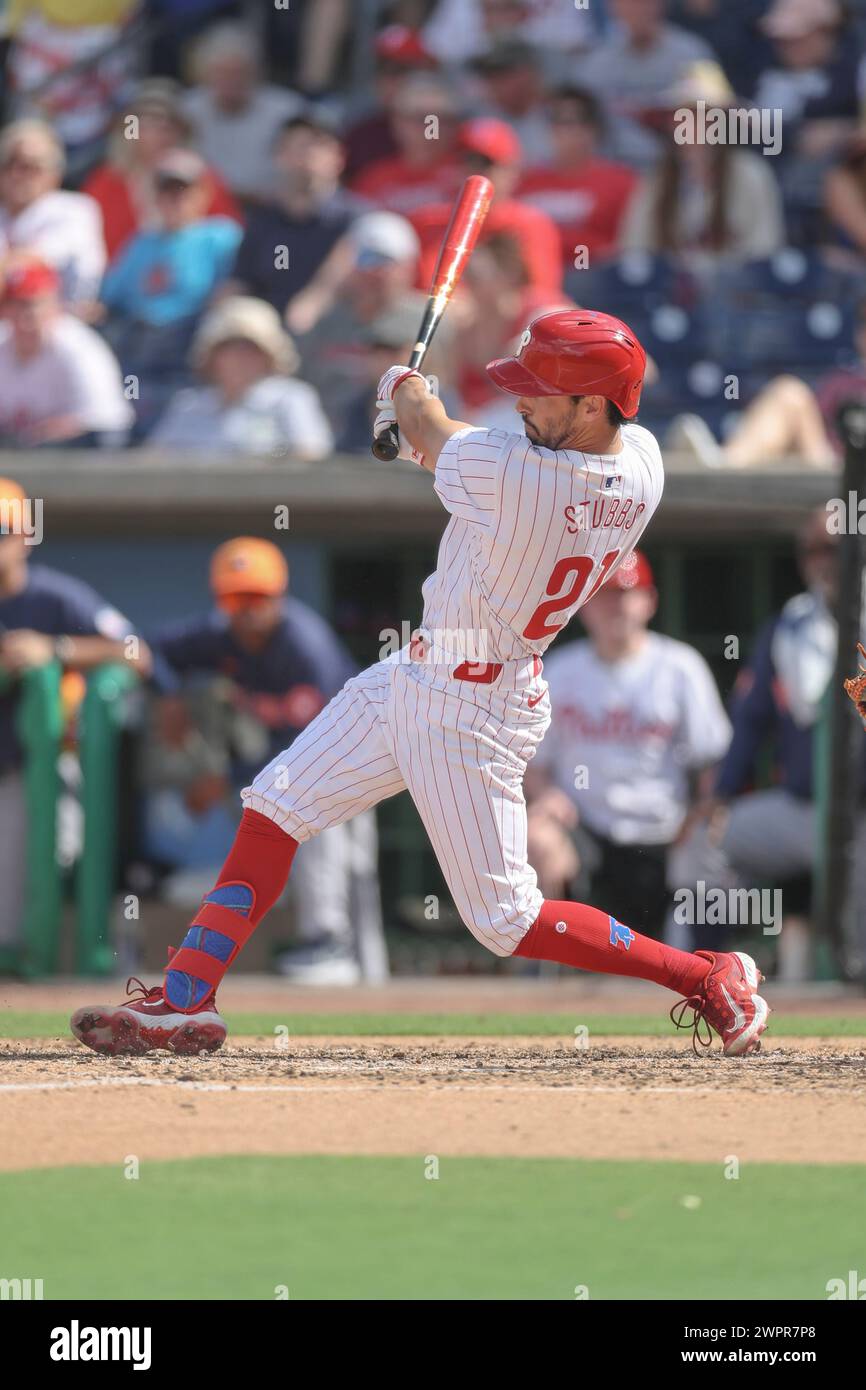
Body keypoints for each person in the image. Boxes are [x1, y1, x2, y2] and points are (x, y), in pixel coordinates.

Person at [72, 307, 770, 1061]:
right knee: (275, 806)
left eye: (542, 390)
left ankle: (706, 977)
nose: (523, 399)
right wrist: (412, 428)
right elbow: (445, 448)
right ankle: (186, 997)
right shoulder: (642, 462)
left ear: (592, 403)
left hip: (472, 707)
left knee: (505, 920)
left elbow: (431, 427)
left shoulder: (523, 479)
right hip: (419, 672)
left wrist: (403, 388)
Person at [145, 537, 387, 985]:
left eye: (258, 597)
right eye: (237, 598)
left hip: (352, 761)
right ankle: (330, 947)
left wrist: (226, 777)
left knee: (345, 861)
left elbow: (315, 755)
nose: (248, 609)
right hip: (287, 770)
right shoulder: (216, 637)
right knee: (302, 834)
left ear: (279, 596)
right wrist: (170, 697)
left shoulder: (304, 646)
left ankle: (338, 950)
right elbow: (148, 650)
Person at [666, 510, 866, 978]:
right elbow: (751, 722)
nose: (823, 562)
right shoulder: (789, 626)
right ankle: (696, 975)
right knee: (703, 844)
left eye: (834, 549)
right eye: (812, 551)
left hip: (861, 817)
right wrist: (719, 797)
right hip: (803, 812)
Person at [526, 550, 731, 939]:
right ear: (583, 606)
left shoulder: (679, 666)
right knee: (535, 834)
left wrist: (705, 812)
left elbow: (712, 759)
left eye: (625, 593)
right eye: (603, 595)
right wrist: (548, 797)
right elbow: (535, 766)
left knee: (718, 841)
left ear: (649, 601)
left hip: (666, 832)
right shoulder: (560, 670)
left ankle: (711, 965)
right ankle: (542, 974)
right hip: (586, 830)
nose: (614, 606)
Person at [0, 475, 150, 948]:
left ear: (26, 536)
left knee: (34, 878)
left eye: (2, 531)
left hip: (33, 767)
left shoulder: (53, 596)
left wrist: (54, 647)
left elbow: (136, 652)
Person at [98, 149, 243, 385]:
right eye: (166, 190)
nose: (176, 198)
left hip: (190, 341)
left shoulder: (221, 236)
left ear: (203, 193)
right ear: (155, 196)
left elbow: (233, 288)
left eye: (184, 190)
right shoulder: (141, 242)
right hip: (137, 340)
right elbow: (109, 299)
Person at [149, 295, 332, 459]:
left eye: (250, 349)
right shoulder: (188, 405)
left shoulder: (291, 399)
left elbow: (312, 457)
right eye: (229, 348)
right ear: (212, 357)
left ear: (268, 357)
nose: (239, 358)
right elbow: (155, 461)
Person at [82, 79, 241, 262]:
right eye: (147, 126)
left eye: (167, 127)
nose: (158, 135)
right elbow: (87, 241)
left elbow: (229, 238)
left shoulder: (202, 178)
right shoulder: (107, 180)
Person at [229, 110, 362, 318]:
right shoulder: (262, 219)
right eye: (298, 146)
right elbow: (241, 282)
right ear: (278, 156)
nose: (308, 154)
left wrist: (317, 298)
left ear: (339, 158)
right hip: (267, 330)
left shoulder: (358, 219)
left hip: (337, 330)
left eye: (318, 145)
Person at [411, 118, 564, 299]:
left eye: (485, 164)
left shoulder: (531, 223)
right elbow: (415, 296)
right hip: (445, 322)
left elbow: (542, 297)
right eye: (466, 162)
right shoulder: (426, 221)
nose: (474, 172)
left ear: (513, 171)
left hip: (509, 322)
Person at [0, 258, 132, 448]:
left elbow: (108, 423)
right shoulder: (3, 341)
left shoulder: (79, 347)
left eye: (30, 305)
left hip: (78, 460)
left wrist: (38, 435)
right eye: (13, 305)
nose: (22, 316)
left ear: (54, 305)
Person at [573, 0, 716, 168]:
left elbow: (714, 118)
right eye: (629, 3)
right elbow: (579, 123)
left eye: (644, 2)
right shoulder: (595, 64)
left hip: (677, 170)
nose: (638, 9)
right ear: (613, 7)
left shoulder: (693, 53)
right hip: (613, 169)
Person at [181, 23, 304, 204]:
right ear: (204, 74)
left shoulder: (288, 111)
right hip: (201, 212)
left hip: (272, 209)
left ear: (256, 73)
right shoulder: (186, 110)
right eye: (222, 72)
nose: (230, 81)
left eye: (239, 72)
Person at [518, 86, 638, 265]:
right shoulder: (526, 181)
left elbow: (627, 247)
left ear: (593, 129)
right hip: (537, 276)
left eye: (569, 122)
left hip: (595, 274)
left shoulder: (621, 182)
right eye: (554, 120)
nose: (560, 130)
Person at [0, 119, 106, 309]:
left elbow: (30, 265)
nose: (17, 173)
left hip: (66, 322)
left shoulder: (75, 208)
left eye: (29, 166)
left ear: (54, 173)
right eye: (10, 163)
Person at [350, 75, 462, 215]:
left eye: (443, 119)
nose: (432, 128)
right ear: (397, 122)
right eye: (422, 118)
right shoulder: (373, 180)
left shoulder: (467, 175)